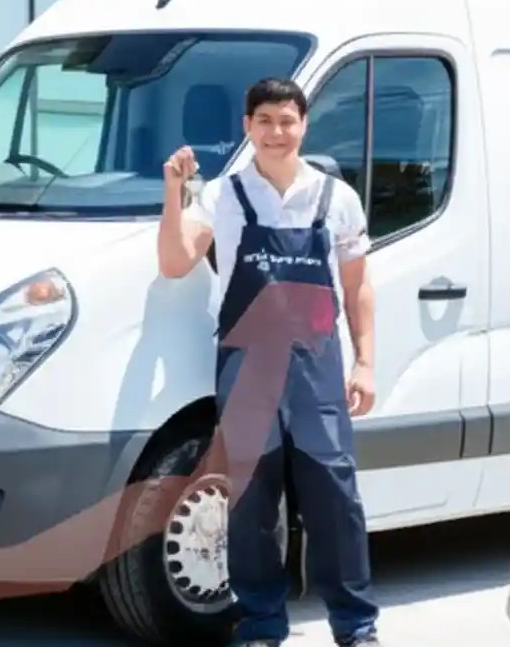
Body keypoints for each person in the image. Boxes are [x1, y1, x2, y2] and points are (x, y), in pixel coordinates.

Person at [157, 77, 382, 647]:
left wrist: (365, 363)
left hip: (316, 364)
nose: (276, 133)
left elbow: (358, 288)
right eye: (264, 121)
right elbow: (176, 262)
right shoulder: (222, 197)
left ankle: (355, 625)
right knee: (250, 497)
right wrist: (173, 193)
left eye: (287, 121)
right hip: (247, 360)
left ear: (303, 125)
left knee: (335, 495)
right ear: (247, 127)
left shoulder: (337, 198)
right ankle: (261, 624)